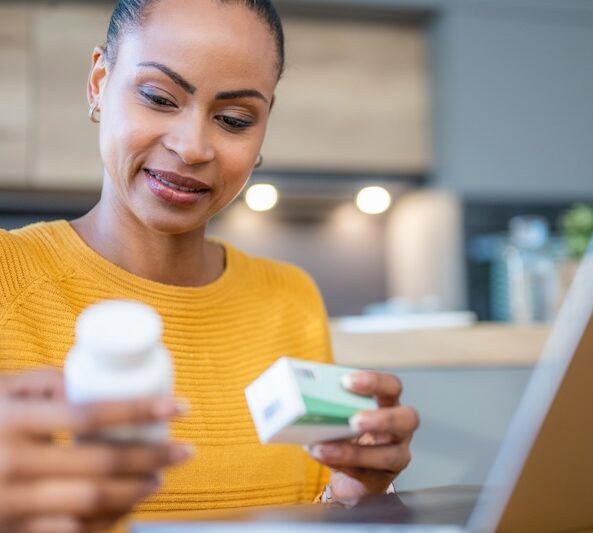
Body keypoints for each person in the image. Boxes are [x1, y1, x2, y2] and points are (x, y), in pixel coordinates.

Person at [0, 0, 420, 531]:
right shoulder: (7, 276)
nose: (192, 146)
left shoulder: (290, 298)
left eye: (233, 119)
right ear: (99, 83)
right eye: (158, 97)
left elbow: (317, 511)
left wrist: (357, 495)